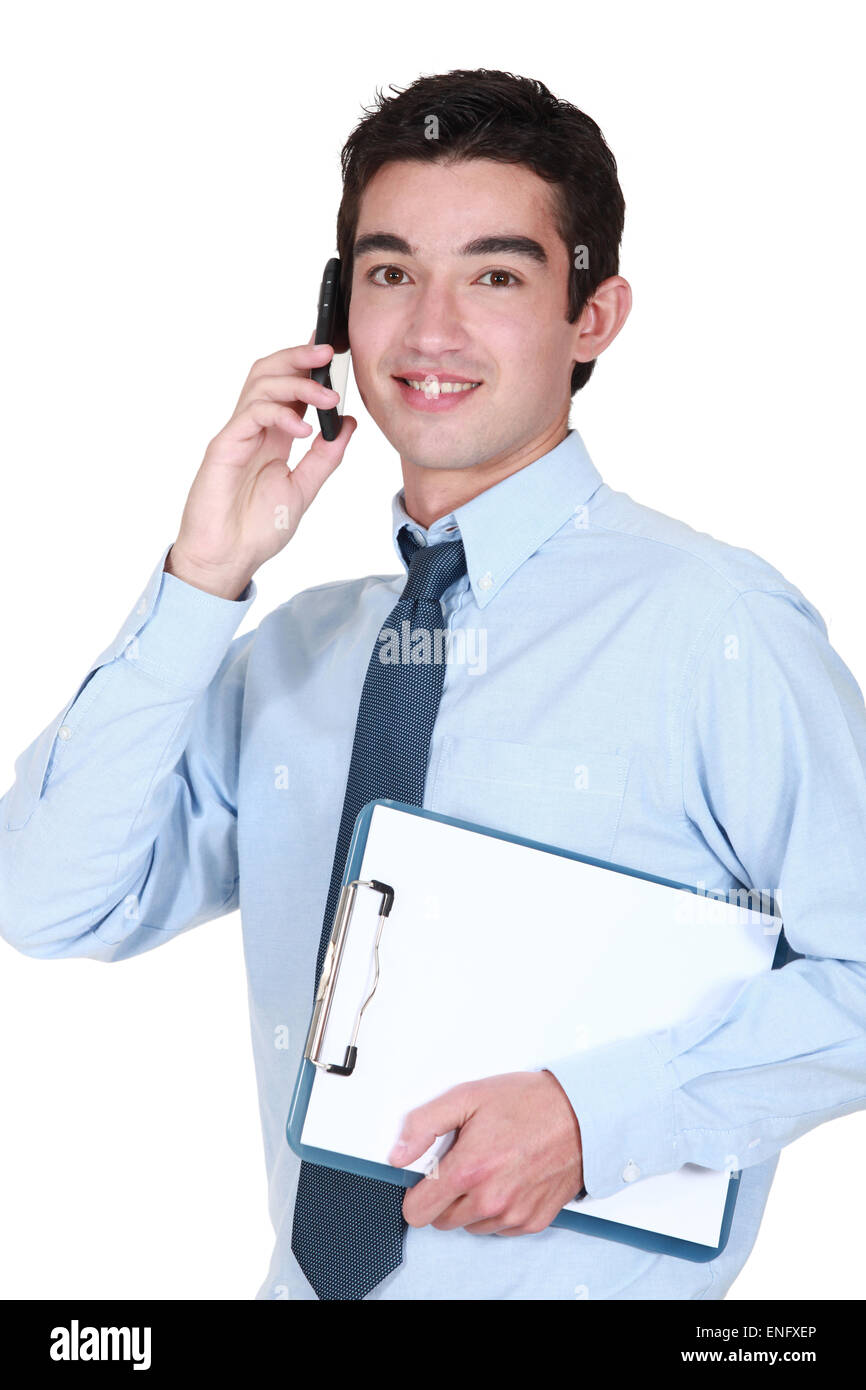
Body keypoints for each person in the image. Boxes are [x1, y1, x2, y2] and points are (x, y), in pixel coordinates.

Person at [2, 67, 865, 1302]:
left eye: (496, 276)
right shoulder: (292, 654)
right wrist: (201, 581)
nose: (429, 332)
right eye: (390, 272)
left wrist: (594, 1114)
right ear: (334, 313)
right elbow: (46, 901)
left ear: (593, 315)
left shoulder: (710, 624)